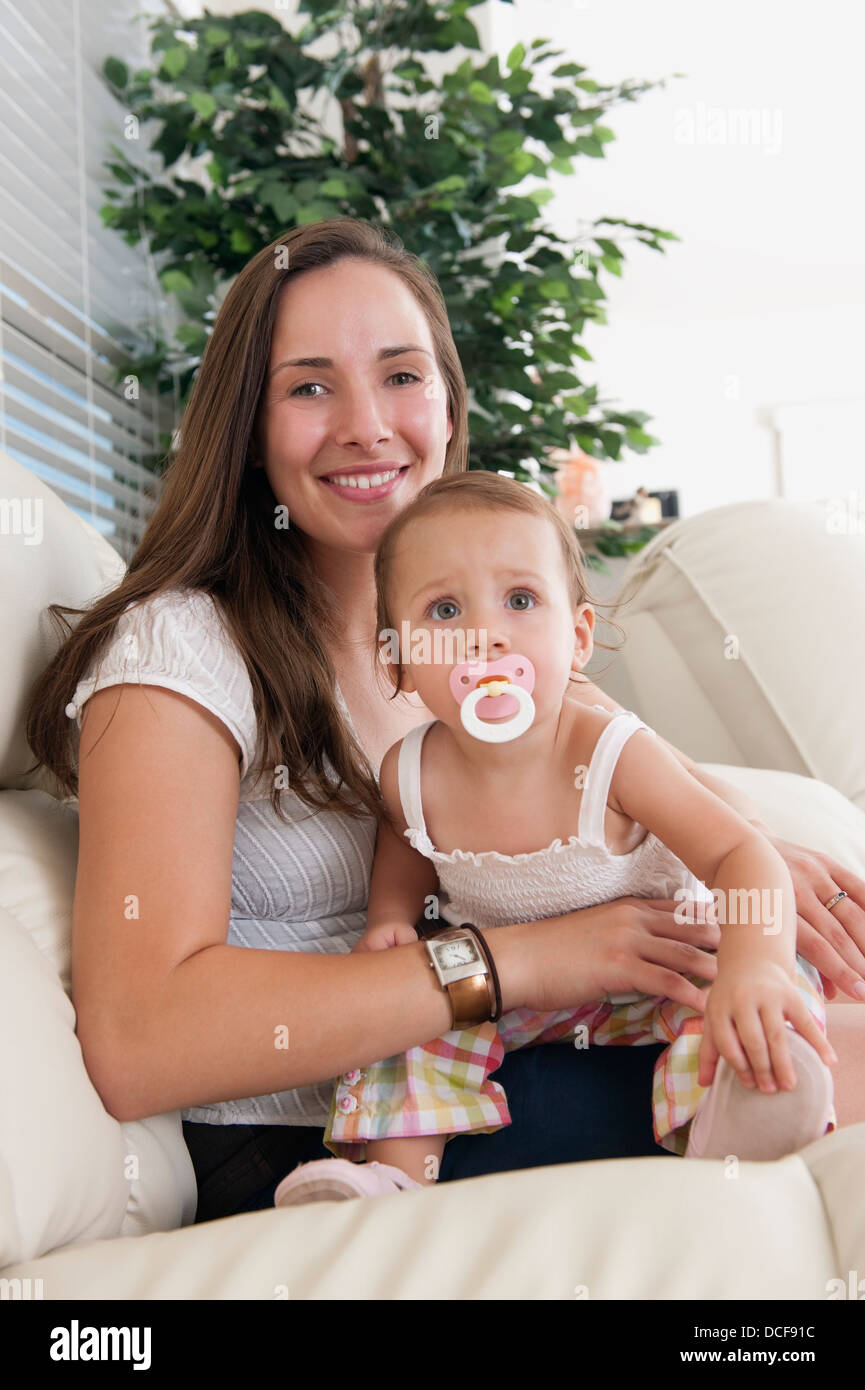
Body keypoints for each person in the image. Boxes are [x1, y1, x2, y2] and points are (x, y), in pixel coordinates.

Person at [23, 218, 865, 1223]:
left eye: (401, 376)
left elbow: (635, 797)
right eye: (307, 386)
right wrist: (515, 962)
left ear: (450, 405)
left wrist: (753, 869)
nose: (366, 425)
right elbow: (138, 1038)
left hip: (538, 1049)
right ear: (247, 431)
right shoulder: (183, 646)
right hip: (337, 1132)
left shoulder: (465, 653)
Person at [272, 472, 837, 1204]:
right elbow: (406, 845)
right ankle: (390, 1183)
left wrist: (752, 966)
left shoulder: (607, 751)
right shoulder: (409, 769)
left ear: (576, 638)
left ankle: (736, 1117)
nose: (486, 634)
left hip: (661, 962)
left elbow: (740, 854)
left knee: (747, 985)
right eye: (444, 610)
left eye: (519, 600)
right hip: (522, 989)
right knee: (401, 1020)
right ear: (398, 662)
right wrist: (388, 918)